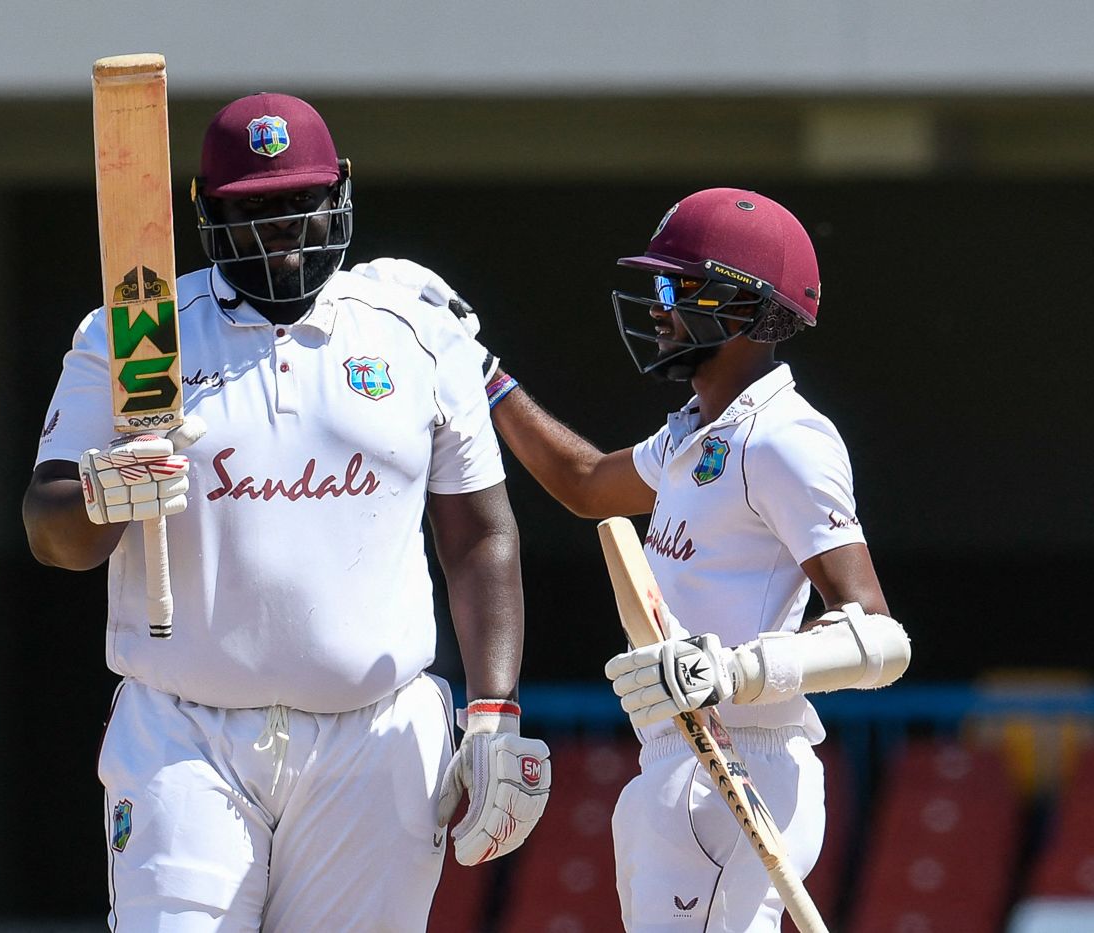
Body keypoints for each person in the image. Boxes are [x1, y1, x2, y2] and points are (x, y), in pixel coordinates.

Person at [21, 92, 551, 932]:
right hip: (185, 734)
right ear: (207, 210)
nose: (283, 230)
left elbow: (480, 534)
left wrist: (493, 710)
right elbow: (54, 536)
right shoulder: (136, 335)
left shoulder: (415, 332)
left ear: (340, 189)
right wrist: (105, 490)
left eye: (301, 203)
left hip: (376, 737)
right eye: (256, 211)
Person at [359, 187, 911, 931]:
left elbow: (878, 634)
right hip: (682, 763)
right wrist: (479, 369)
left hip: (741, 760)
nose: (656, 306)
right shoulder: (698, 432)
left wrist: (735, 669)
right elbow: (586, 484)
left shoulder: (787, 439)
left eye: (673, 286)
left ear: (741, 305)